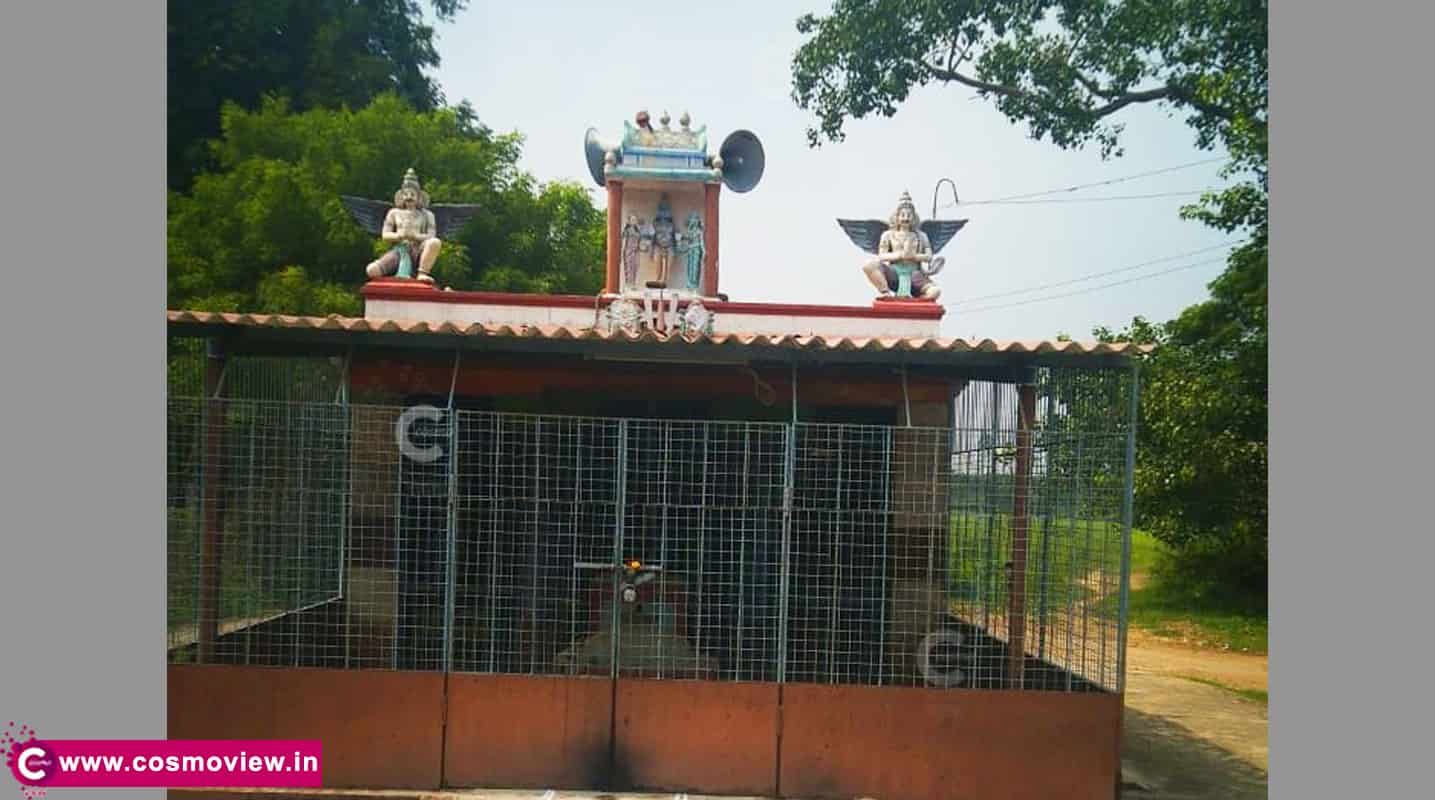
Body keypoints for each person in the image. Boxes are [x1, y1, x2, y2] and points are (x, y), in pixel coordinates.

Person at [365, 169, 443, 284]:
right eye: (405, 194)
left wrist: (415, 236)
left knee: (435, 242)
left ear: (419, 197)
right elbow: (385, 235)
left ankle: (422, 273)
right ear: (401, 196)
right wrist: (399, 235)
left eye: (412, 194)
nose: (409, 197)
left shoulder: (427, 215)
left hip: (418, 249)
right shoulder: (394, 213)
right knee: (372, 270)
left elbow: (431, 235)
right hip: (400, 250)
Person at [863, 191, 941, 300]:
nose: (906, 218)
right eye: (903, 215)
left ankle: (919, 300)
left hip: (915, 275)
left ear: (914, 218)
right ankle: (885, 292)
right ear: (897, 217)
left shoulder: (921, 236)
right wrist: (899, 255)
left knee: (935, 291)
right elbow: (882, 256)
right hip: (894, 273)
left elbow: (929, 256)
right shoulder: (888, 235)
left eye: (909, 215)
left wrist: (913, 256)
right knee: (868, 265)